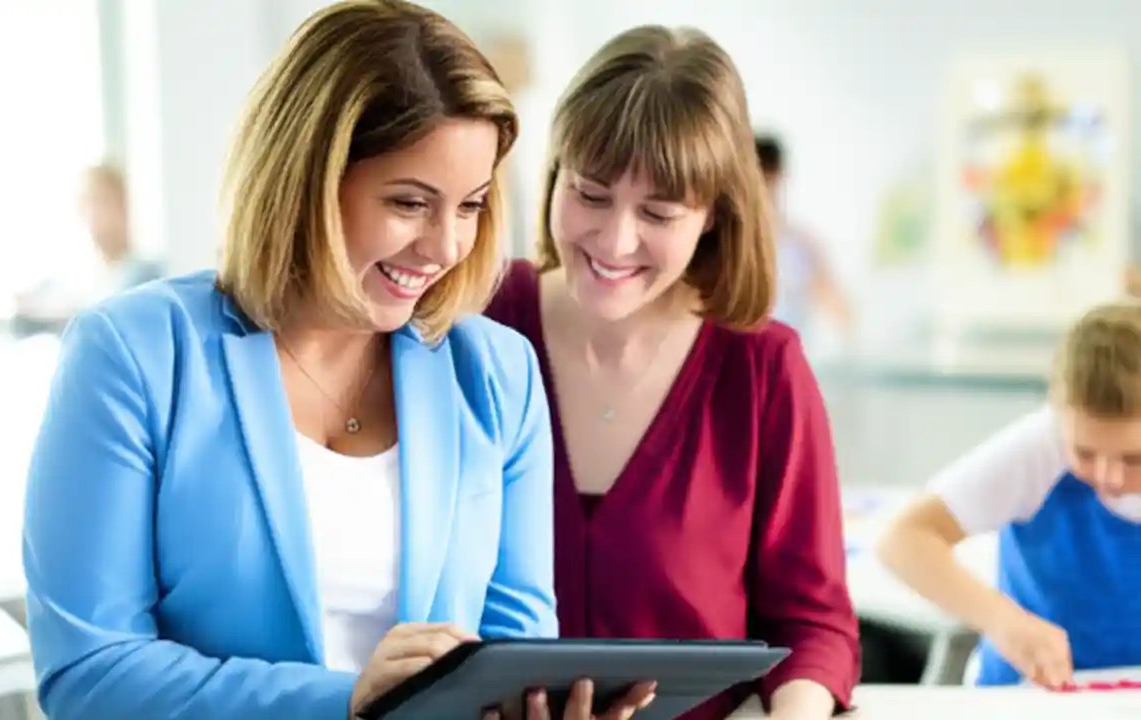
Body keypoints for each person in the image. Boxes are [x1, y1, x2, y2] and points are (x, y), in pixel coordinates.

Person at [23, 3, 654, 718]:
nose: (447, 247)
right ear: (308, 181)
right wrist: (345, 702)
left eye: (471, 205)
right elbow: (89, 672)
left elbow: (514, 651)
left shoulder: (497, 376)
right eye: (411, 202)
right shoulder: (134, 354)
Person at [485, 25, 860, 720]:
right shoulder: (482, 324)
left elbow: (814, 624)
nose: (615, 240)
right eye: (590, 195)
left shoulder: (763, 371)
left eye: (658, 212)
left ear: (714, 215)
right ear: (554, 174)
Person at [877, 301, 1141, 689]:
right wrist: (1002, 621)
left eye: (1133, 458)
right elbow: (903, 539)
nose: (1108, 476)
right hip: (1029, 695)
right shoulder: (1039, 449)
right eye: (1084, 452)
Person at [14, 162, 161, 324]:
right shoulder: (78, 278)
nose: (93, 214)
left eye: (102, 201)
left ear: (124, 207)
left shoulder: (144, 274)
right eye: (86, 203)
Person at [753, 135, 850, 342]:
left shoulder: (803, 246)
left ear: (780, 176)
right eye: (760, 177)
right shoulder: (730, 247)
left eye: (770, 176)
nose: (765, 187)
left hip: (791, 361)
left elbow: (840, 313)